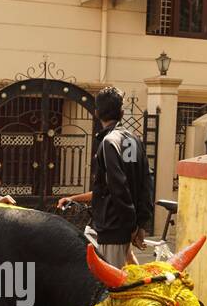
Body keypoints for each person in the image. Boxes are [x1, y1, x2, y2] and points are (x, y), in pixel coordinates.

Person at [57, 87, 154, 267]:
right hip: (123, 226)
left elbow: (119, 187)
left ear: (96, 113)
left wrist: (131, 226)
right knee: (129, 274)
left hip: (114, 227)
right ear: (122, 113)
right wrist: (140, 223)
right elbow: (146, 184)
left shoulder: (108, 143)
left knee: (112, 287)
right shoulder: (134, 140)